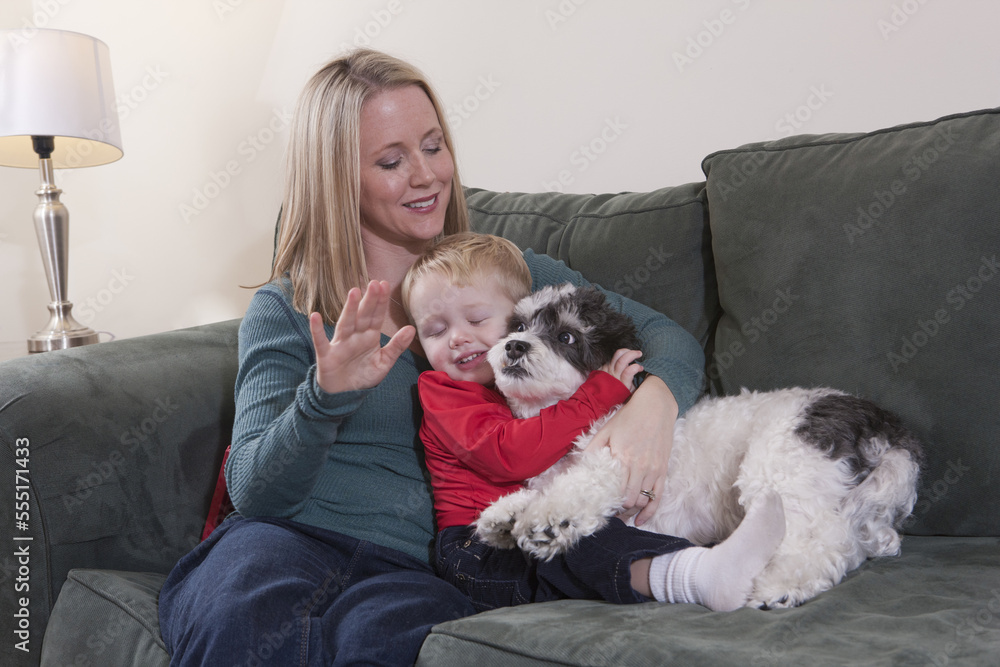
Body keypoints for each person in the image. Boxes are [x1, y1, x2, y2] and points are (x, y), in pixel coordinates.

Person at [158, 48, 707, 665]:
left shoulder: (505, 277)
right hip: (286, 539)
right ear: (338, 179)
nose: (427, 175)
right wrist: (324, 399)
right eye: (392, 161)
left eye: (433, 146)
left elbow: (665, 336)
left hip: (421, 563)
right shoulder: (288, 308)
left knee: (389, 643)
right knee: (238, 615)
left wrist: (653, 405)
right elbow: (255, 492)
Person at [403, 233, 787, 612]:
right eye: (435, 331)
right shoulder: (443, 392)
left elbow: (661, 339)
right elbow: (511, 454)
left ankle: (720, 560)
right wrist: (599, 393)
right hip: (477, 551)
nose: (457, 338)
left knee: (586, 530)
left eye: (476, 320)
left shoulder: (516, 385)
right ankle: (692, 575)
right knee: (575, 538)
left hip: (527, 529)